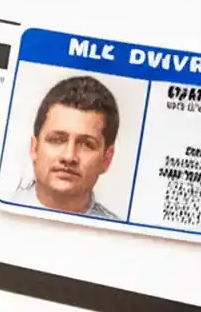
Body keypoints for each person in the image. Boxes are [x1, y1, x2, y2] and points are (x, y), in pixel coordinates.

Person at [14, 75, 122, 219]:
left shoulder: (119, 236)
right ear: (34, 148)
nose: (69, 156)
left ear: (106, 159)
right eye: (57, 140)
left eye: (86, 144)